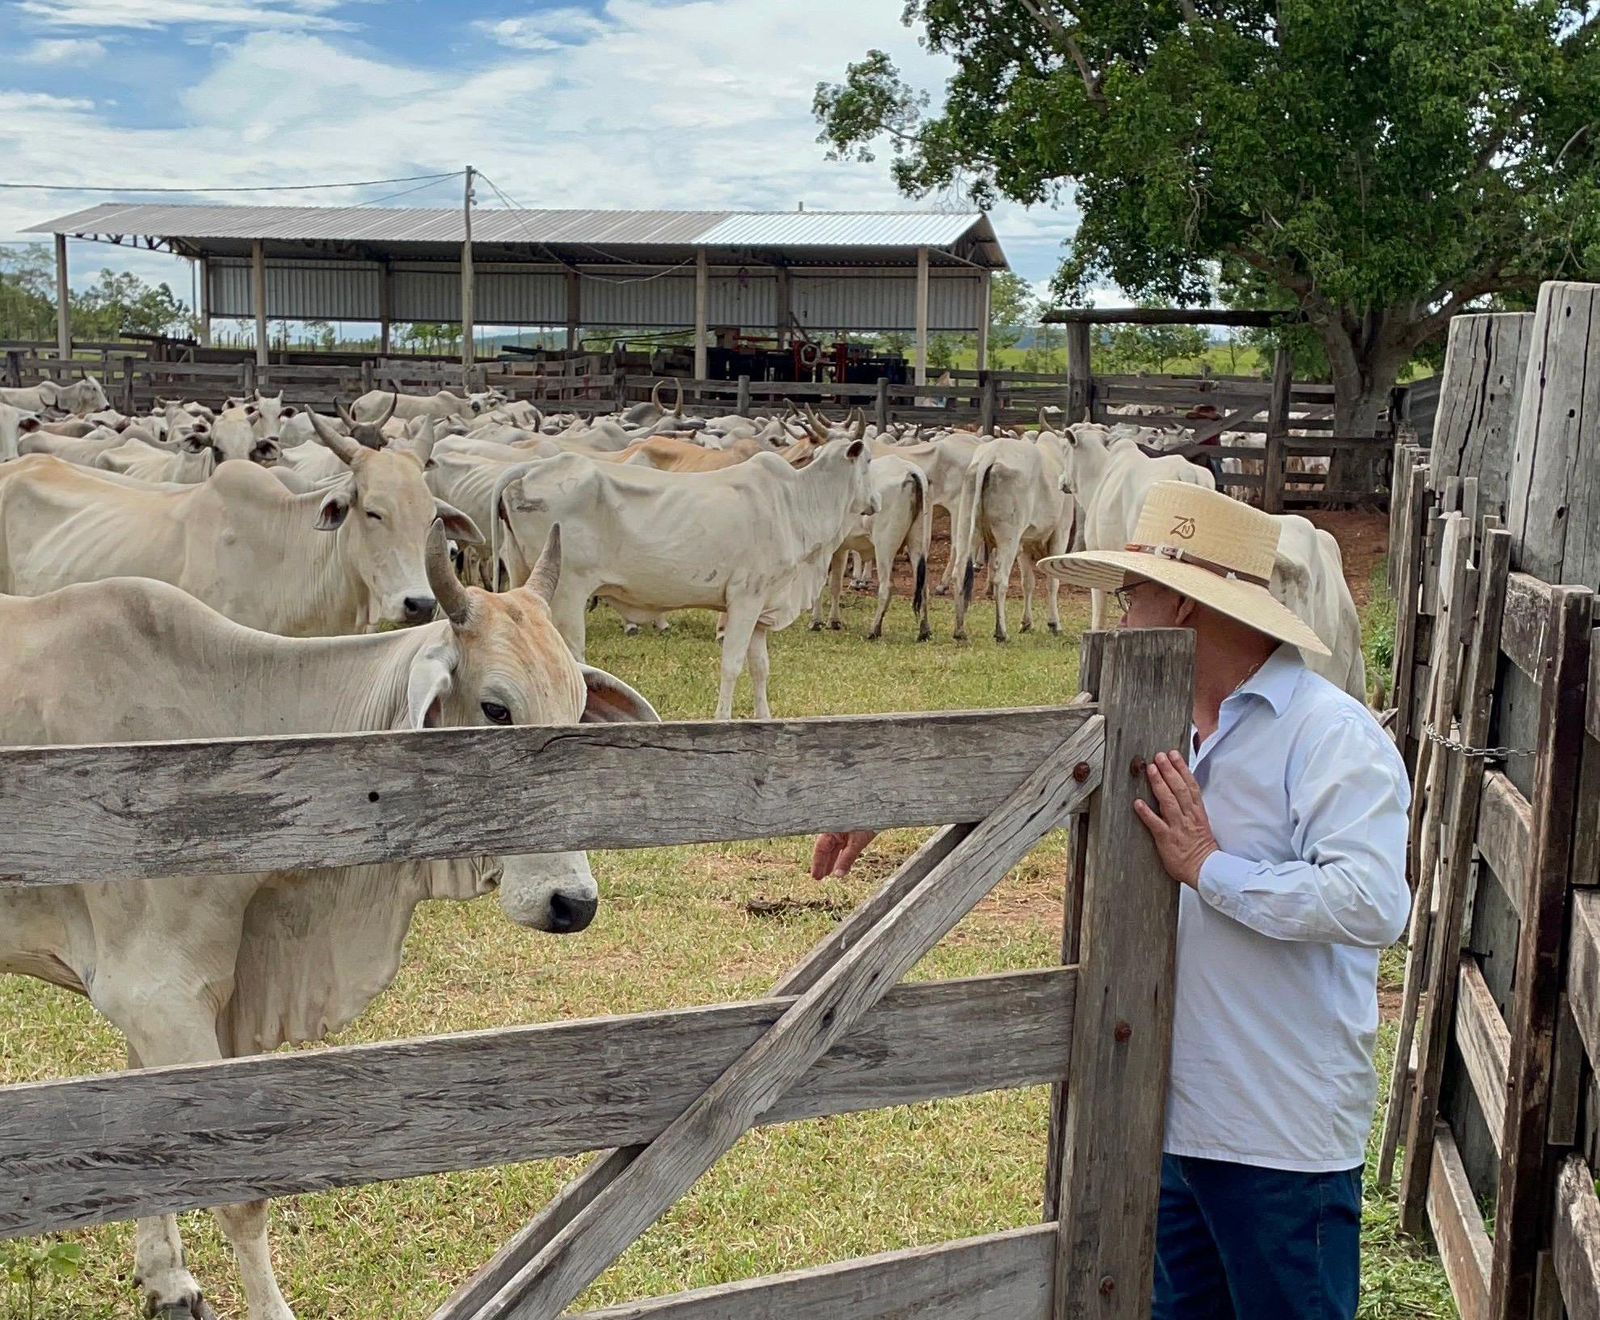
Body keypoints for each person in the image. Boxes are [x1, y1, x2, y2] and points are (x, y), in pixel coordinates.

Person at [811, 481, 1411, 1319]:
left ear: (1187, 607)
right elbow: (1038, 773)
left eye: (1131, 597)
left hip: (1281, 1136)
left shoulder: (1332, 736)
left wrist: (1209, 866)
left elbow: (1374, 902)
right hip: (1161, 1122)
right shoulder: (1143, 724)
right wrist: (894, 803)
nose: (1116, 620)